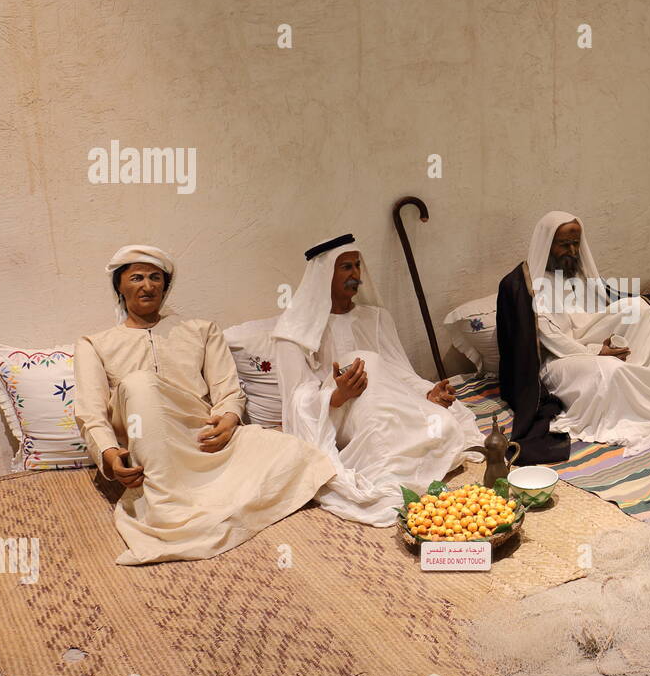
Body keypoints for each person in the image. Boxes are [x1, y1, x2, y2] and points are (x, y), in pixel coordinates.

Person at [74, 245, 335, 565]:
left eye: (156, 278)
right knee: (139, 383)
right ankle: (171, 514)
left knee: (297, 454)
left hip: (203, 439)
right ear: (119, 286)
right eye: (137, 277)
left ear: (166, 287)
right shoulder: (94, 344)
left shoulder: (201, 330)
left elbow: (228, 391)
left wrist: (227, 420)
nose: (148, 285)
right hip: (148, 450)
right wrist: (111, 456)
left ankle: (198, 502)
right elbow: (91, 413)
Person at [273, 234, 484, 527]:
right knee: (378, 420)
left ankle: (404, 458)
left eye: (358, 266)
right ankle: (394, 469)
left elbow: (399, 374)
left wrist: (427, 394)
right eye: (346, 267)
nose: (356, 274)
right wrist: (338, 395)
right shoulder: (293, 332)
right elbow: (295, 399)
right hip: (337, 415)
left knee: (445, 425)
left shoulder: (376, 318)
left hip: (385, 401)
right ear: (325, 275)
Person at [496, 211, 650, 463]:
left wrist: (600, 343)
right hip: (556, 361)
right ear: (546, 244)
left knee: (642, 310)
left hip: (587, 344)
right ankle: (629, 384)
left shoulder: (577, 274)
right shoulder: (522, 284)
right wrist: (596, 351)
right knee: (610, 371)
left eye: (576, 243)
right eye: (564, 245)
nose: (573, 250)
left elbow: (595, 314)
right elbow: (550, 338)